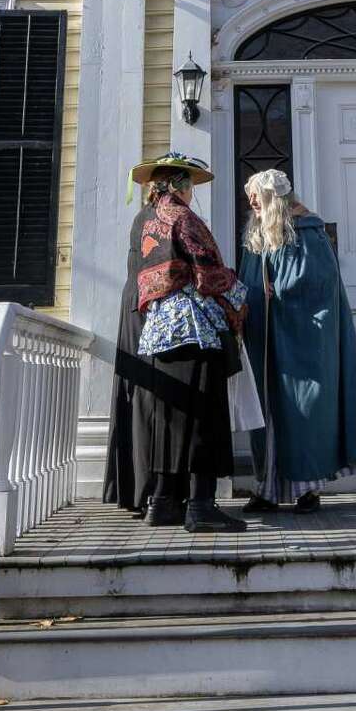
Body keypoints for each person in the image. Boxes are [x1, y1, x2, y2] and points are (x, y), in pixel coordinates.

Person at [101, 152, 249, 534]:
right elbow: (208, 271)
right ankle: (201, 505)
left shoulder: (143, 219)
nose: (192, 191)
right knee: (203, 410)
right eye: (190, 184)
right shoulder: (183, 217)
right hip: (192, 326)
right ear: (180, 184)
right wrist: (239, 297)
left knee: (167, 414)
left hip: (156, 328)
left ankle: (163, 502)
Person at [237, 170, 356, 514]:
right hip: (264, 339)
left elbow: (318, 284)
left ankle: (309, 490)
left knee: (303, 410)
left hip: (301, 340)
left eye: (257, 196)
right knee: (266, 414)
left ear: (274, 198)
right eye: (249, 197)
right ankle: (266, 488)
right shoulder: (257, 233)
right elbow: (246, 278)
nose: (251, 203)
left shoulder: (308, 232)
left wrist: (275, 292)